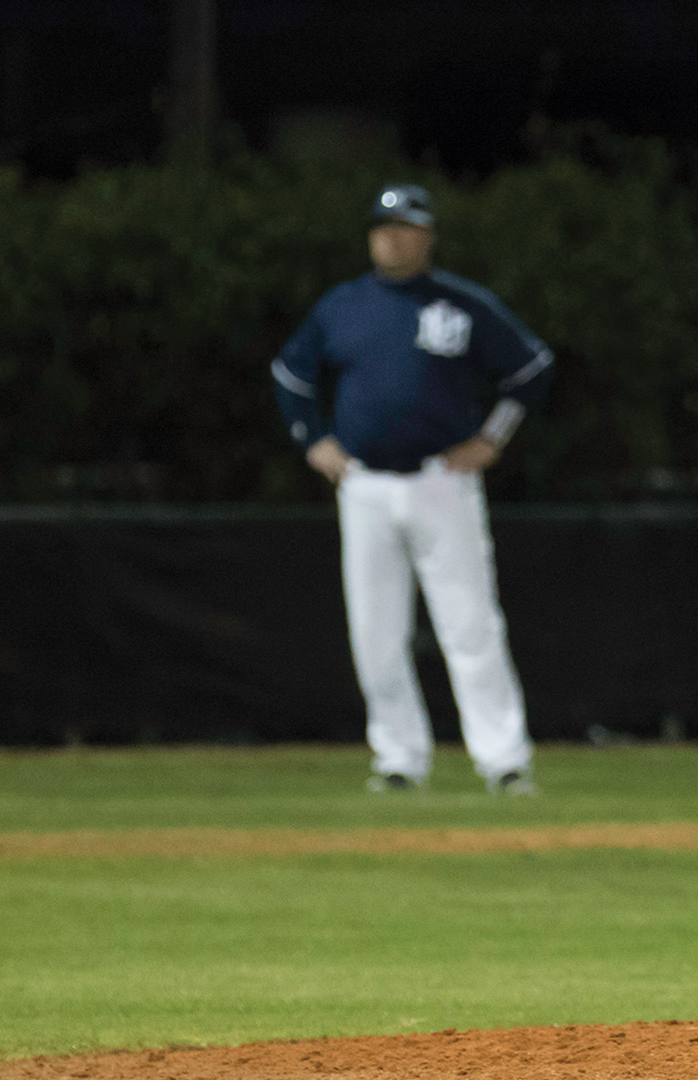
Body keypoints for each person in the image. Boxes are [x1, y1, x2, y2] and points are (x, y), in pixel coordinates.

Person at [271, 183, 554, 796]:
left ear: (427, 236)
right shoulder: (343, 305)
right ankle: (398, 758)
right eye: (382, 228)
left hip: (441, 482)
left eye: (403, 228)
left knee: (470, 625)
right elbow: (290, 375)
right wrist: (311, 440)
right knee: (375, 631)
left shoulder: (461, 304)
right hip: (365, 484)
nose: (391, 239)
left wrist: (492, 438)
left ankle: (503, 759)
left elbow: (531, 369)